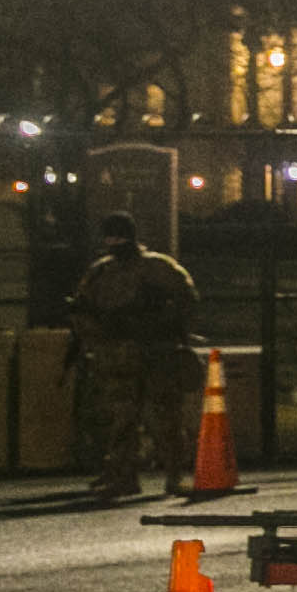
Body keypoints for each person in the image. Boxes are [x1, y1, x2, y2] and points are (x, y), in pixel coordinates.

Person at [71, 211, 199, 503]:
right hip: (117, 357)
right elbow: (81, 310)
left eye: (119, 236)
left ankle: (175, 475)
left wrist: (164, 325)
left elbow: (188, 300)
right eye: (110, 237)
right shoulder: (101, 273)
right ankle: (123, 476)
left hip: (157, 353)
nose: (114, 242)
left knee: (166, 417)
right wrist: (98, 336)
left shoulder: (158, 268)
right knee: (120, 420)